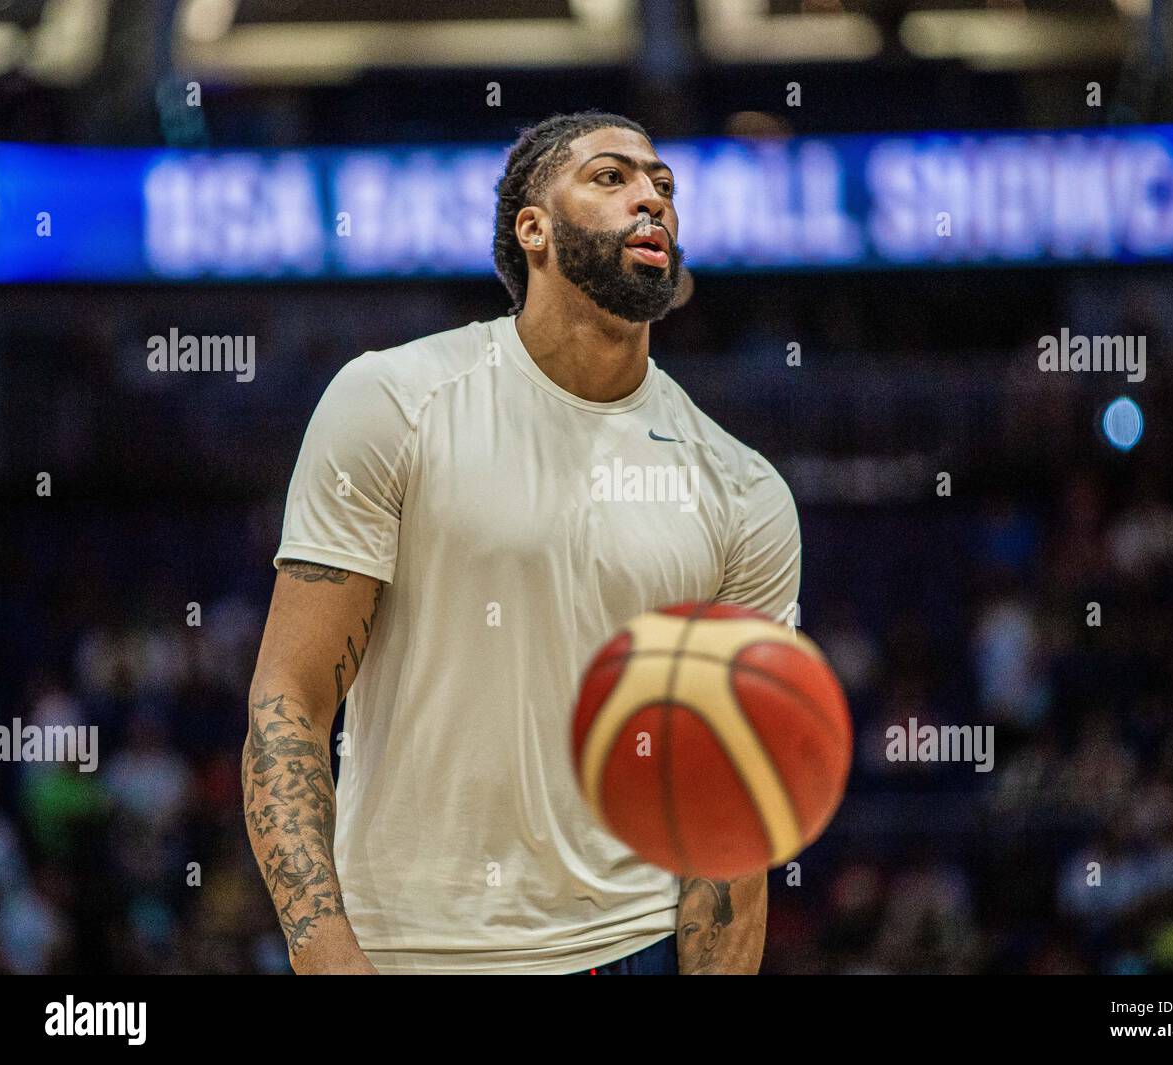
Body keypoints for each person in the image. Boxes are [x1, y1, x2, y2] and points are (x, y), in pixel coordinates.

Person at [242, 111, 800, 974]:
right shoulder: (391, 402)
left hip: (631, 944)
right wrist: (326, 954)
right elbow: (290, 700)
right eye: (611, 178)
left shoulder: (743, 488)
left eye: (663, 184)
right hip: (412, 948)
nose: (651, 196)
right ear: (531, 228)